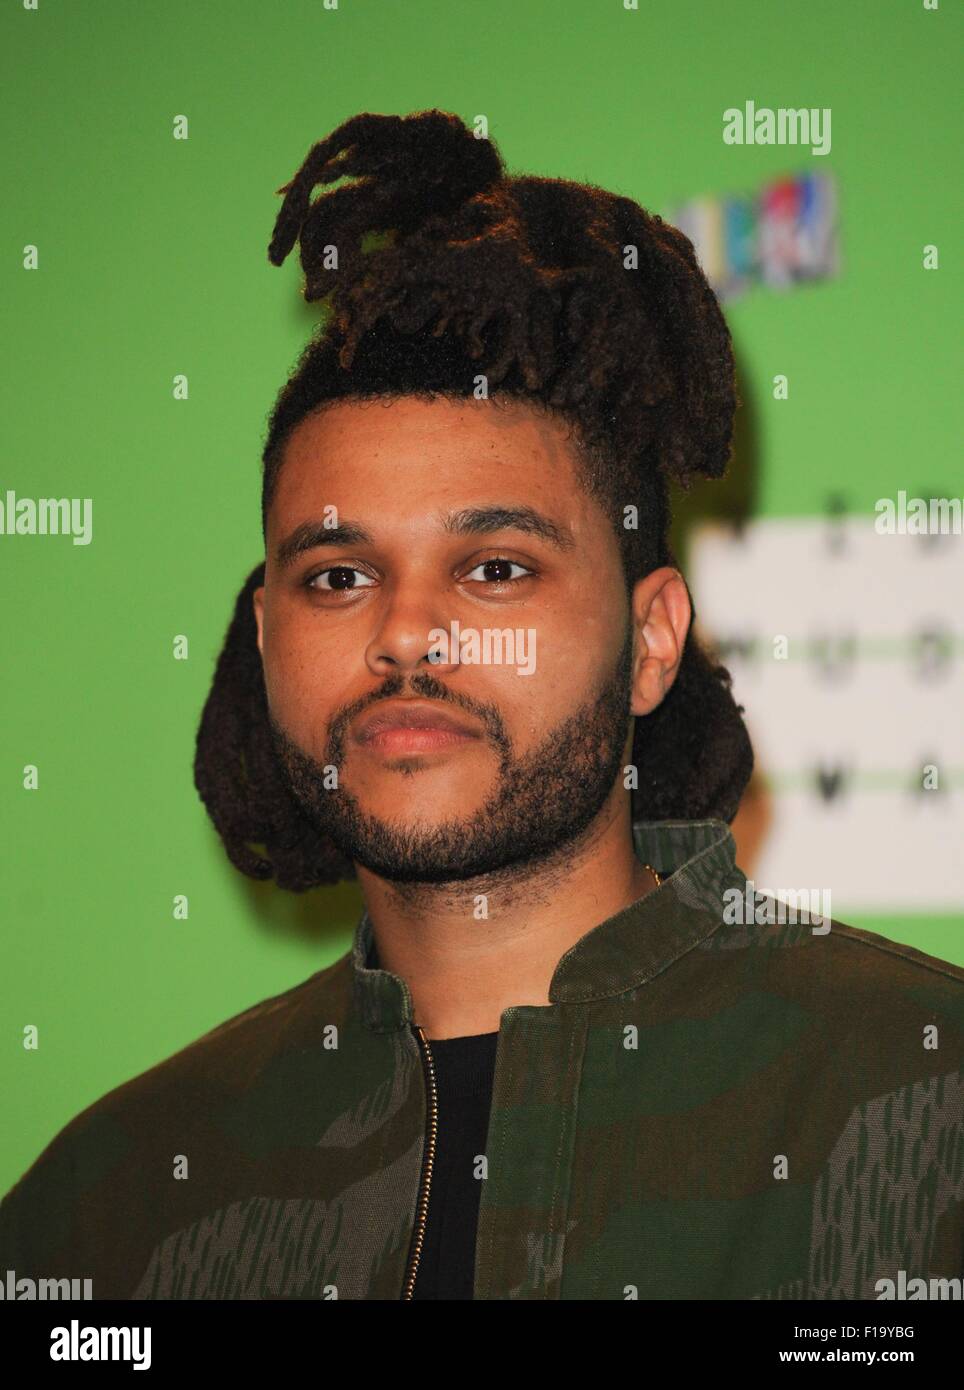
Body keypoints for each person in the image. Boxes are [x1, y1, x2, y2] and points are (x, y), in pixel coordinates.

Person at [2, 109, 961, 1301]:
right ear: (265, 641)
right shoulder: (106, 1207)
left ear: (651, 639)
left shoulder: (927, 1112)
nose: (405, 631)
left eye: (496, 566)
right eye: (337, 576)